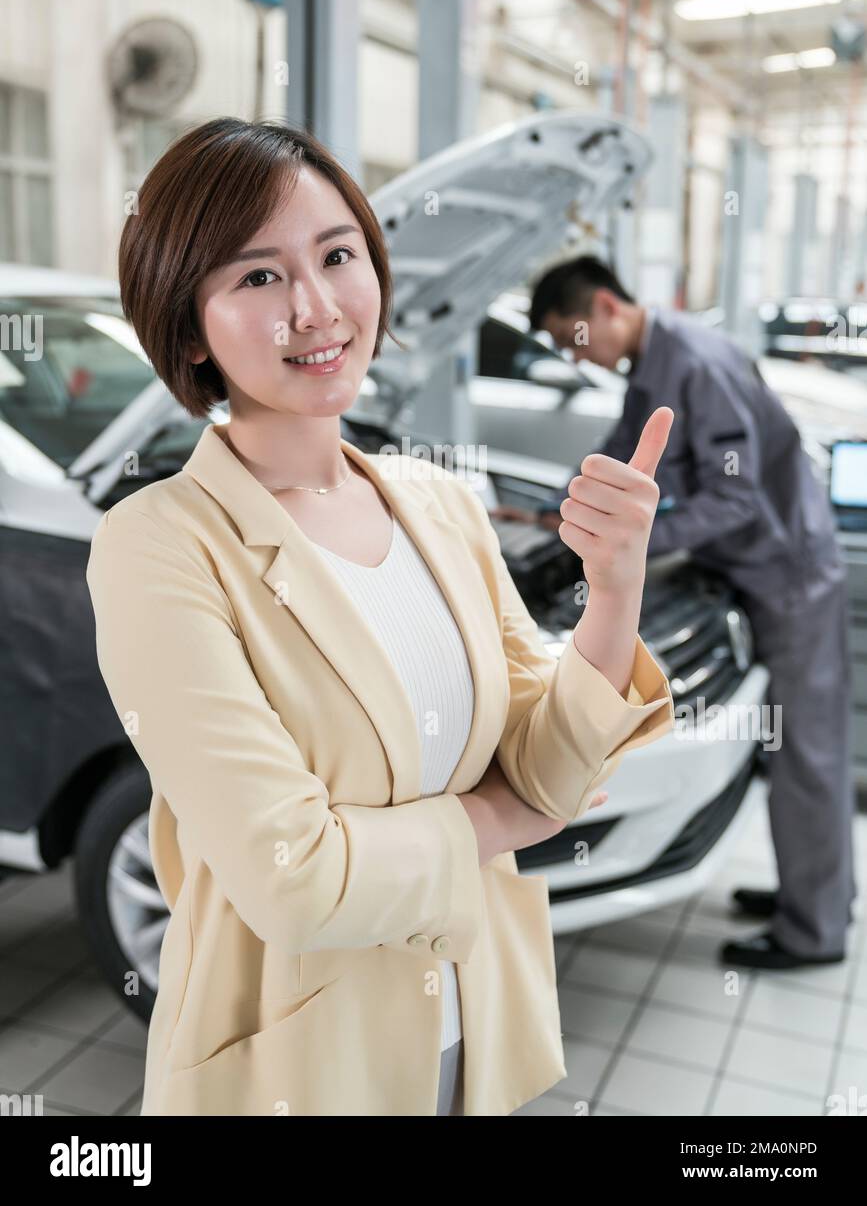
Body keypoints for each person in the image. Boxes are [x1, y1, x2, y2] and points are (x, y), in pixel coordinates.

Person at [85, 119, 676, 1116]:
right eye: (257, 277)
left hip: (478, 1019)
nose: (315, 307)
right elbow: (295, 878)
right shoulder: (161, 545)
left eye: (336, 255)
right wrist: (500, 818)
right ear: (189, 329)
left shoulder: (437, 503)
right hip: (303, 1062)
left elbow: (551, 769)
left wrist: (614, 591)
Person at [504, 253, 858, 972]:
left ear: (605, 306)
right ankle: (815, 895)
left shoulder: (694, 363)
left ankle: (811, 932)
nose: (578, 357)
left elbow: (737, 497)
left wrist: (624, 543)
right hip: (751, 571)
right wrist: (559, 515)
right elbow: (623, 458)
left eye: (573, 338)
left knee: (805, 753)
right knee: (789, 748)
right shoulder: (653, 359)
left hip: (787, 574)